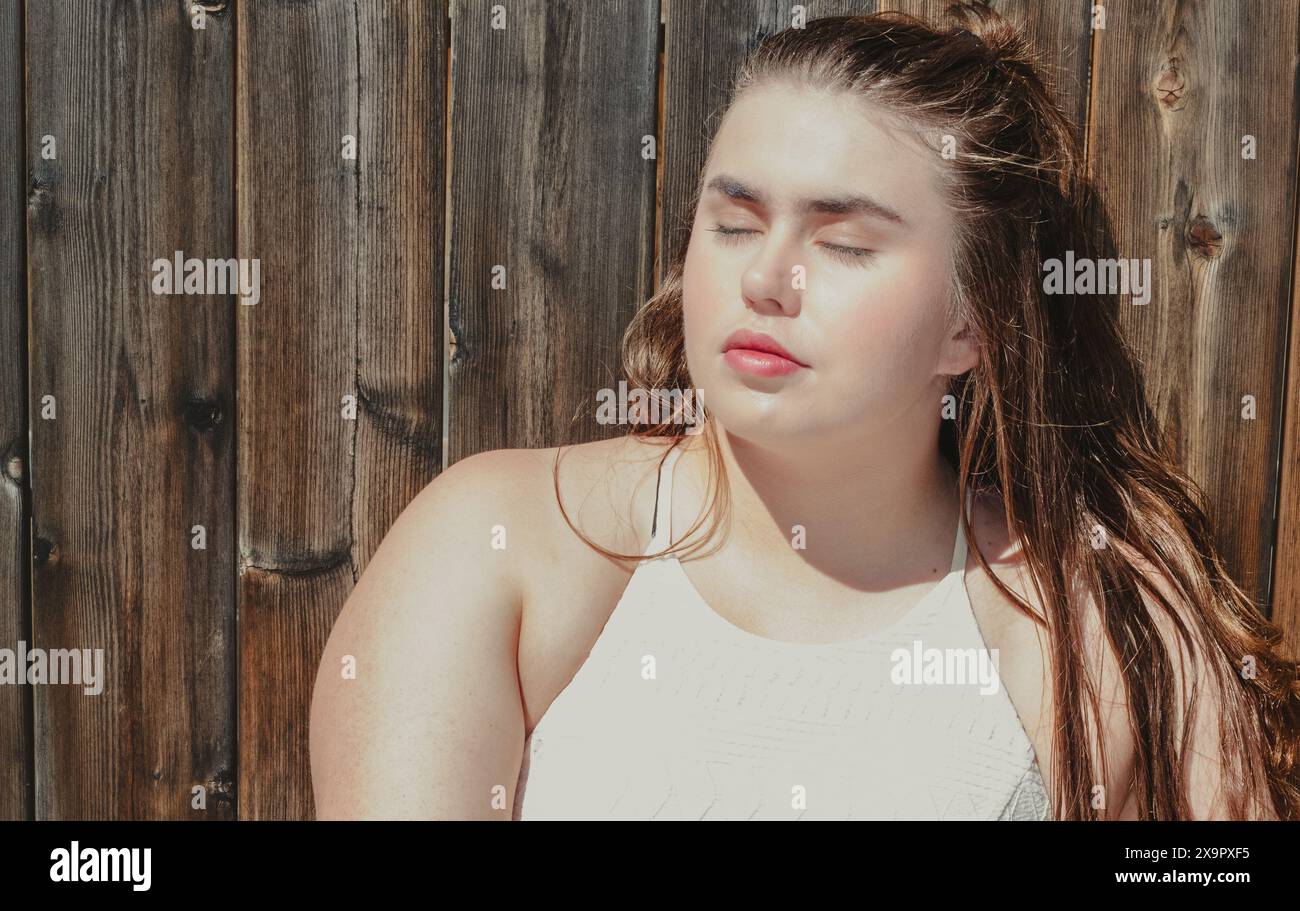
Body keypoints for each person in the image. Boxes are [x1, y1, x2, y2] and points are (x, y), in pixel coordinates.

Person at [309, 4, 1300, 820]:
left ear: (972, 322)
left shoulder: (1091, 619)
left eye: (845, 244)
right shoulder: (506, 546)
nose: (765, 277)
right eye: (734, 223)